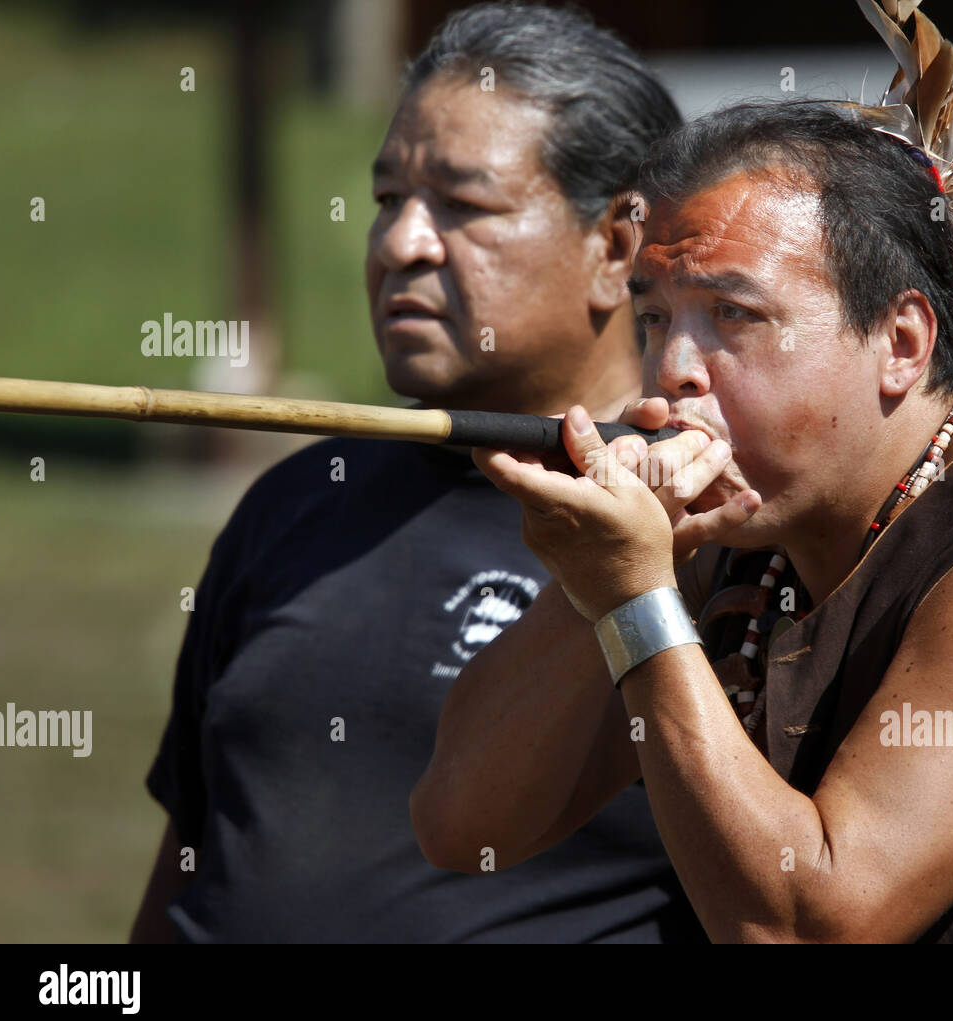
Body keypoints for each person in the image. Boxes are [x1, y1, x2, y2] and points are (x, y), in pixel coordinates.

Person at [414, 83, 953, 937]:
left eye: (733, 314)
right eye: (653, 319)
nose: (674, 367)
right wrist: (588, 590)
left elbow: (805, 927)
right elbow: (469, 829)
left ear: (901, 344)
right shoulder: (737, 534)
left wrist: (634, 604)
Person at [130, 2, 702, 942]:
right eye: (389, 199)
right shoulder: (297, 501)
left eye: (464, 205)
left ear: (617, 250)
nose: (401, 245)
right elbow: (192, 856)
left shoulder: (703, 530)